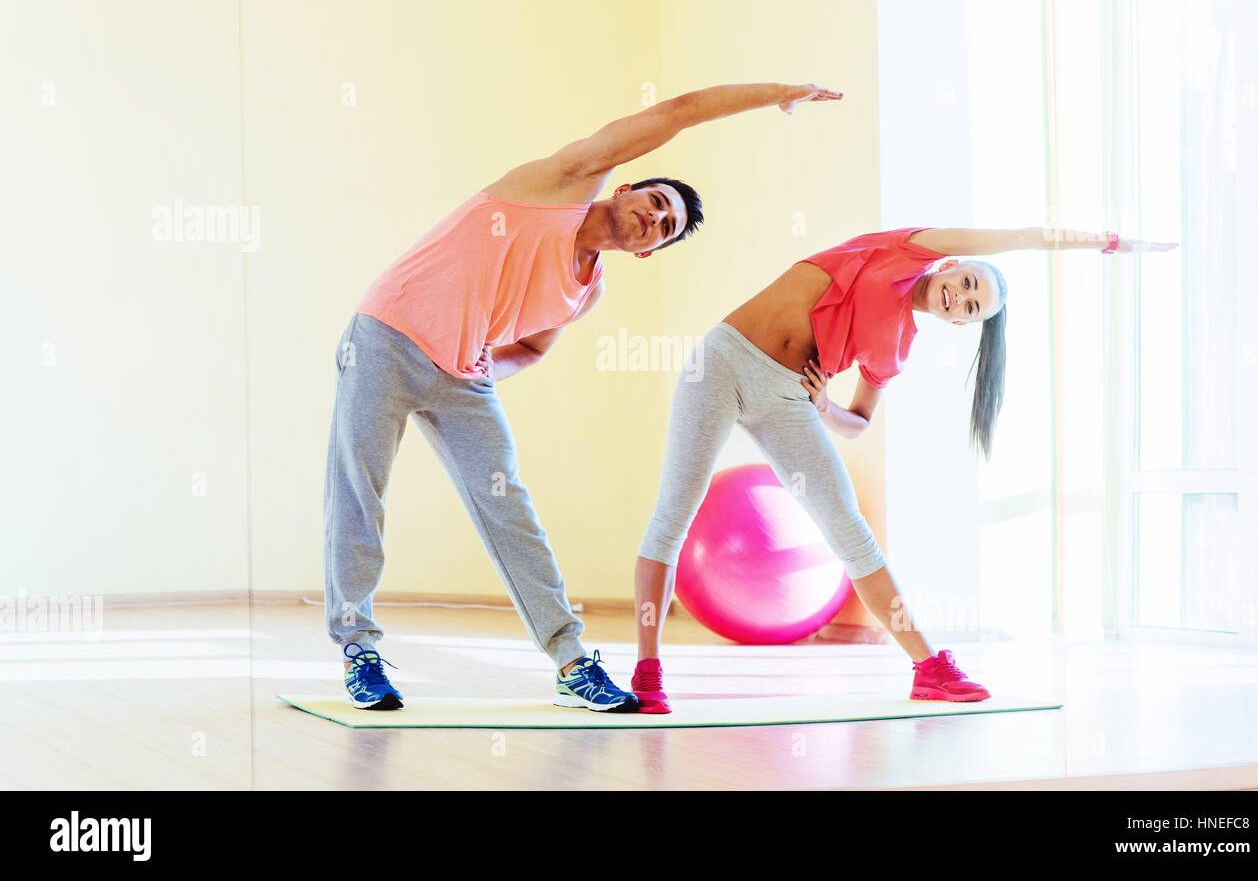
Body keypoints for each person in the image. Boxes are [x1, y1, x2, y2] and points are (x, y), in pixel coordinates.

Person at [323, 82, 844, 711]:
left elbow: (533, 349)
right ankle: (359, 650)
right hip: (386, 336)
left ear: (650, 250)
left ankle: (572, 661)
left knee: (508, 506)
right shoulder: (562, 183)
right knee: (360, 486)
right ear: (626, 190)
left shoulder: (585, 290)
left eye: (665, 226)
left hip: (461, 376)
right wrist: (778, 95)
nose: (654, 217)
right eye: (656, 201)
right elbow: (674, 113)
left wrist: (478, 370)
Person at [630, 227, 1175, 712]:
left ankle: (929, 669)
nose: (960, 299)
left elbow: (859, 421)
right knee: (674, 512)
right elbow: (1019, 236)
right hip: (722, 362)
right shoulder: (901, 250)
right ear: (950, 264)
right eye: (967, 285)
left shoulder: (895, 347)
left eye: (970, 308)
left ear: (960, 324)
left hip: (789, 398)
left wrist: (824, 408)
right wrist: (1111, 241)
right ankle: (648, 670)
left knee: (850, 530)